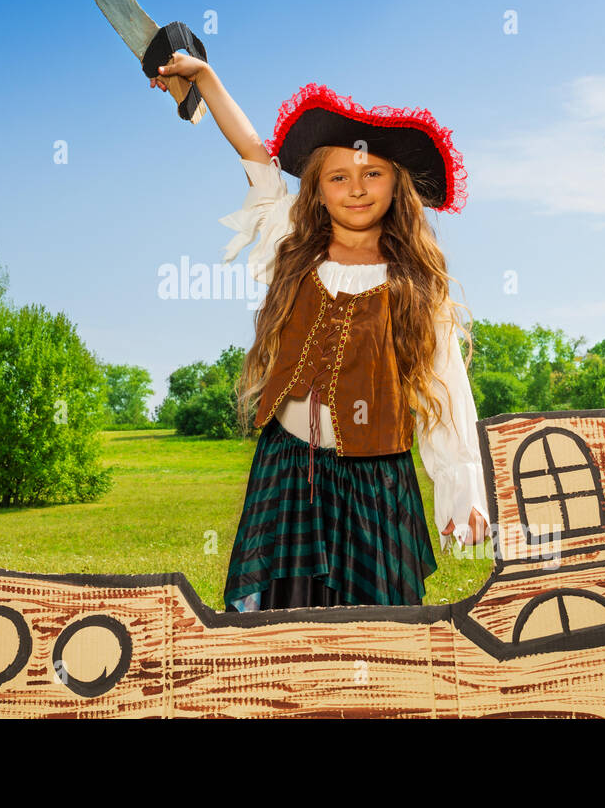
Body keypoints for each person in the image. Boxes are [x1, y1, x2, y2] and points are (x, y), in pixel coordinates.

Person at [151, 55, 489, 612]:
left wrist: (463, 493)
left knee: (374, 632)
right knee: (287, 626)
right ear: (319, 187)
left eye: (371, 173)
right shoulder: (293, 244)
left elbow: (446, 392)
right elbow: (255, 157)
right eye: (339, 176)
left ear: (397, 185)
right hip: (290, 471)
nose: (356, 189)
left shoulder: (416, 287)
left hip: (375, 484)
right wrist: (205, 80)